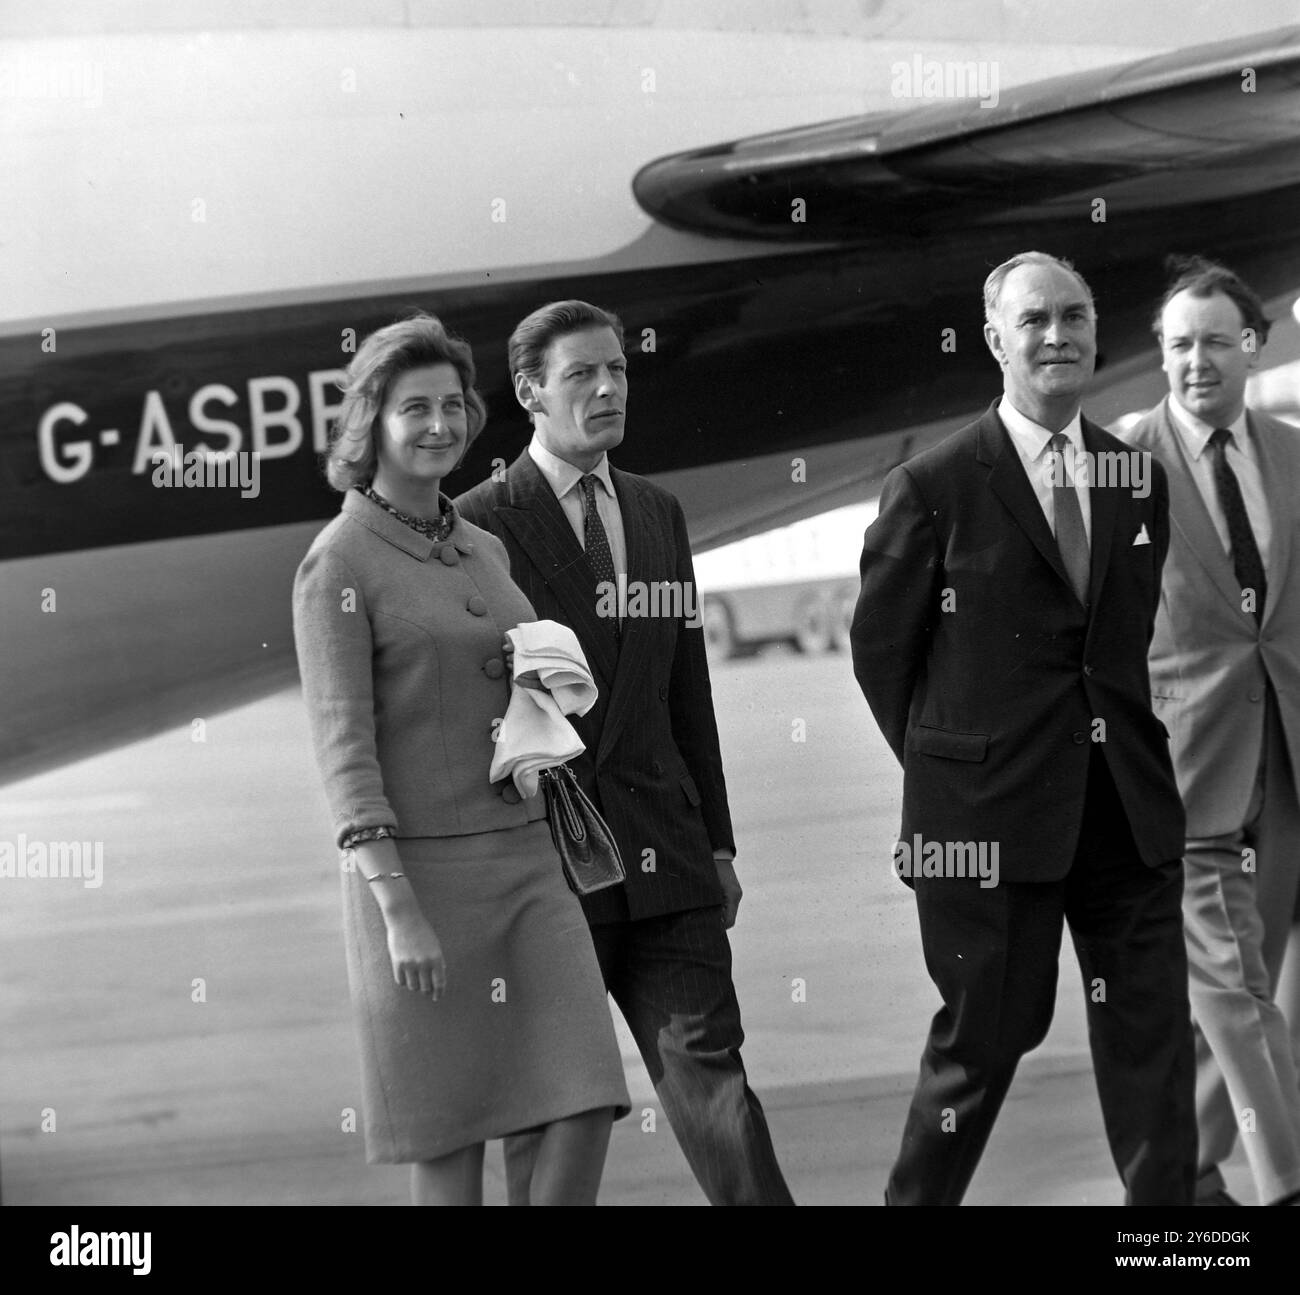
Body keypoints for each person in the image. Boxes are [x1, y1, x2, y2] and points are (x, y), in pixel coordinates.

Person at [850, 251, 1196, 1205]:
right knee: (987, 1040)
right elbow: (885, 660)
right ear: (995, 339)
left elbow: (1116, 647)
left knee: (1153, 1035)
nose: (1059, 335)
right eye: (1036, 319)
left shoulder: (1137, 477)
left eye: (1076, 315)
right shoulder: (932, 487)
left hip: (1125, 810)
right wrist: (965, 774)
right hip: (987, 824)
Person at [455, 299, 793, 1205]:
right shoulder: (478, 525)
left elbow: (689, 691)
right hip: (552, 867)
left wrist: (718, 844)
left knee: (715, 1086)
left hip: (671, 856)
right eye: (581, 375)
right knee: (558, 1119)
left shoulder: (657, 512)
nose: (607, 388)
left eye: (619, 370)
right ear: (529, 392)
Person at [292, 313, 628, 1206]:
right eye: (415, 409)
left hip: (526, 861)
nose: (439, 424)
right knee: (451, 1140)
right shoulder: (338, 563)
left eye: (451, 404)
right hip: (420, 885)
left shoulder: (482, 544)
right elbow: (344, 748)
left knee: (584, 1097)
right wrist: (396, 908)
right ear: (372, 424)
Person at [1120, 256, 1300, 1207]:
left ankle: (1186, 1175)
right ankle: (1286, 1181)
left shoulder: (1293, 451)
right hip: (1179, 766)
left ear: (1253, 345)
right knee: (1233, 983)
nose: (1197, 361)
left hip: (1289, 756)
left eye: (1216, 341)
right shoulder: (1116, 468)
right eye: (1179, 344)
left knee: (1252, 984)